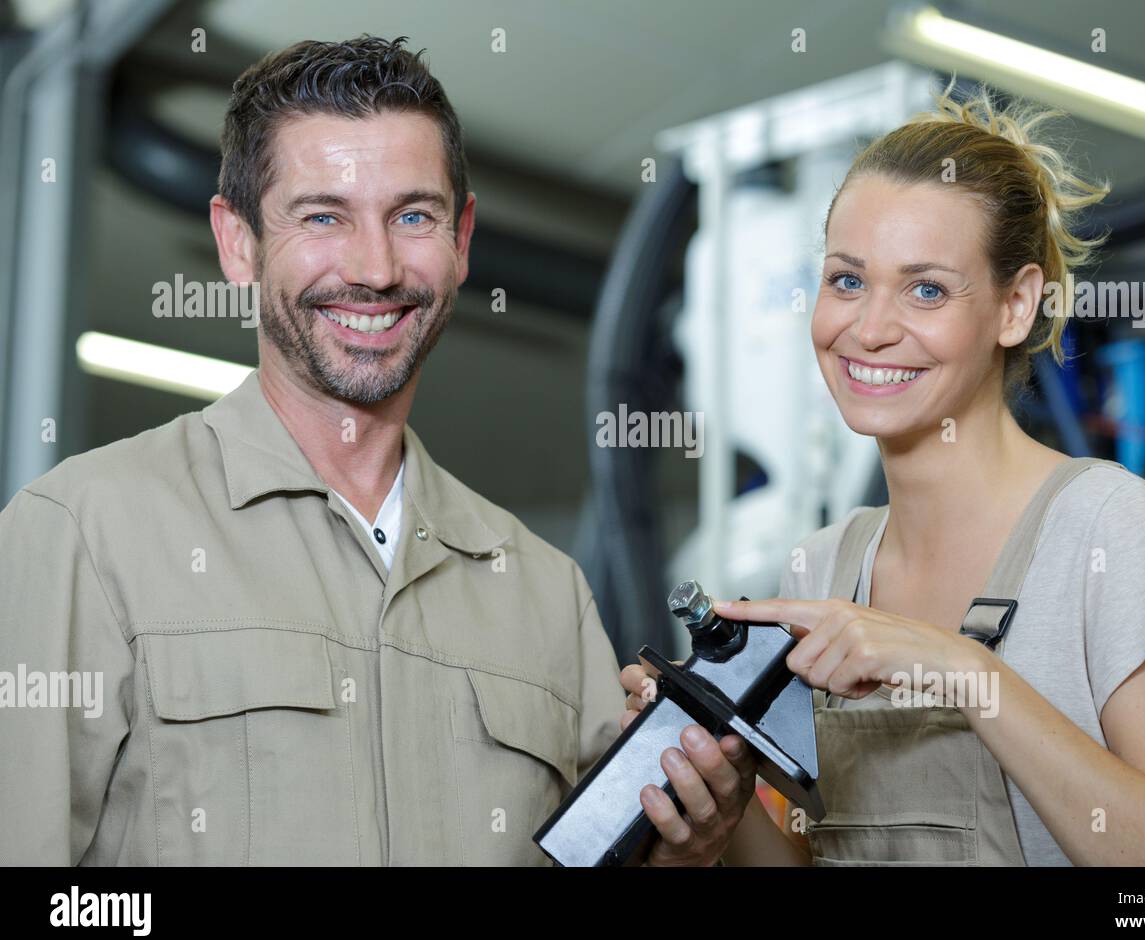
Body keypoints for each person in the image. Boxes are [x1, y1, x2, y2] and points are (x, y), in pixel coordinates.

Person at [0, 35, 732, 866]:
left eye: (412, 216)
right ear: (237, 243)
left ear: (461, 242)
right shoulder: (83, 532)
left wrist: (682, 848)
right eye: (322, 216)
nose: (375, 268)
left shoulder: (542, 590)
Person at [620, 81, 1145, 866]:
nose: (871, 329)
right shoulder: (824, 565)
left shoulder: (1106, 525)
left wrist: (961, 665)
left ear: (1016, 306)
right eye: (847, 280)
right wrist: (720, 799)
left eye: (926, 289)